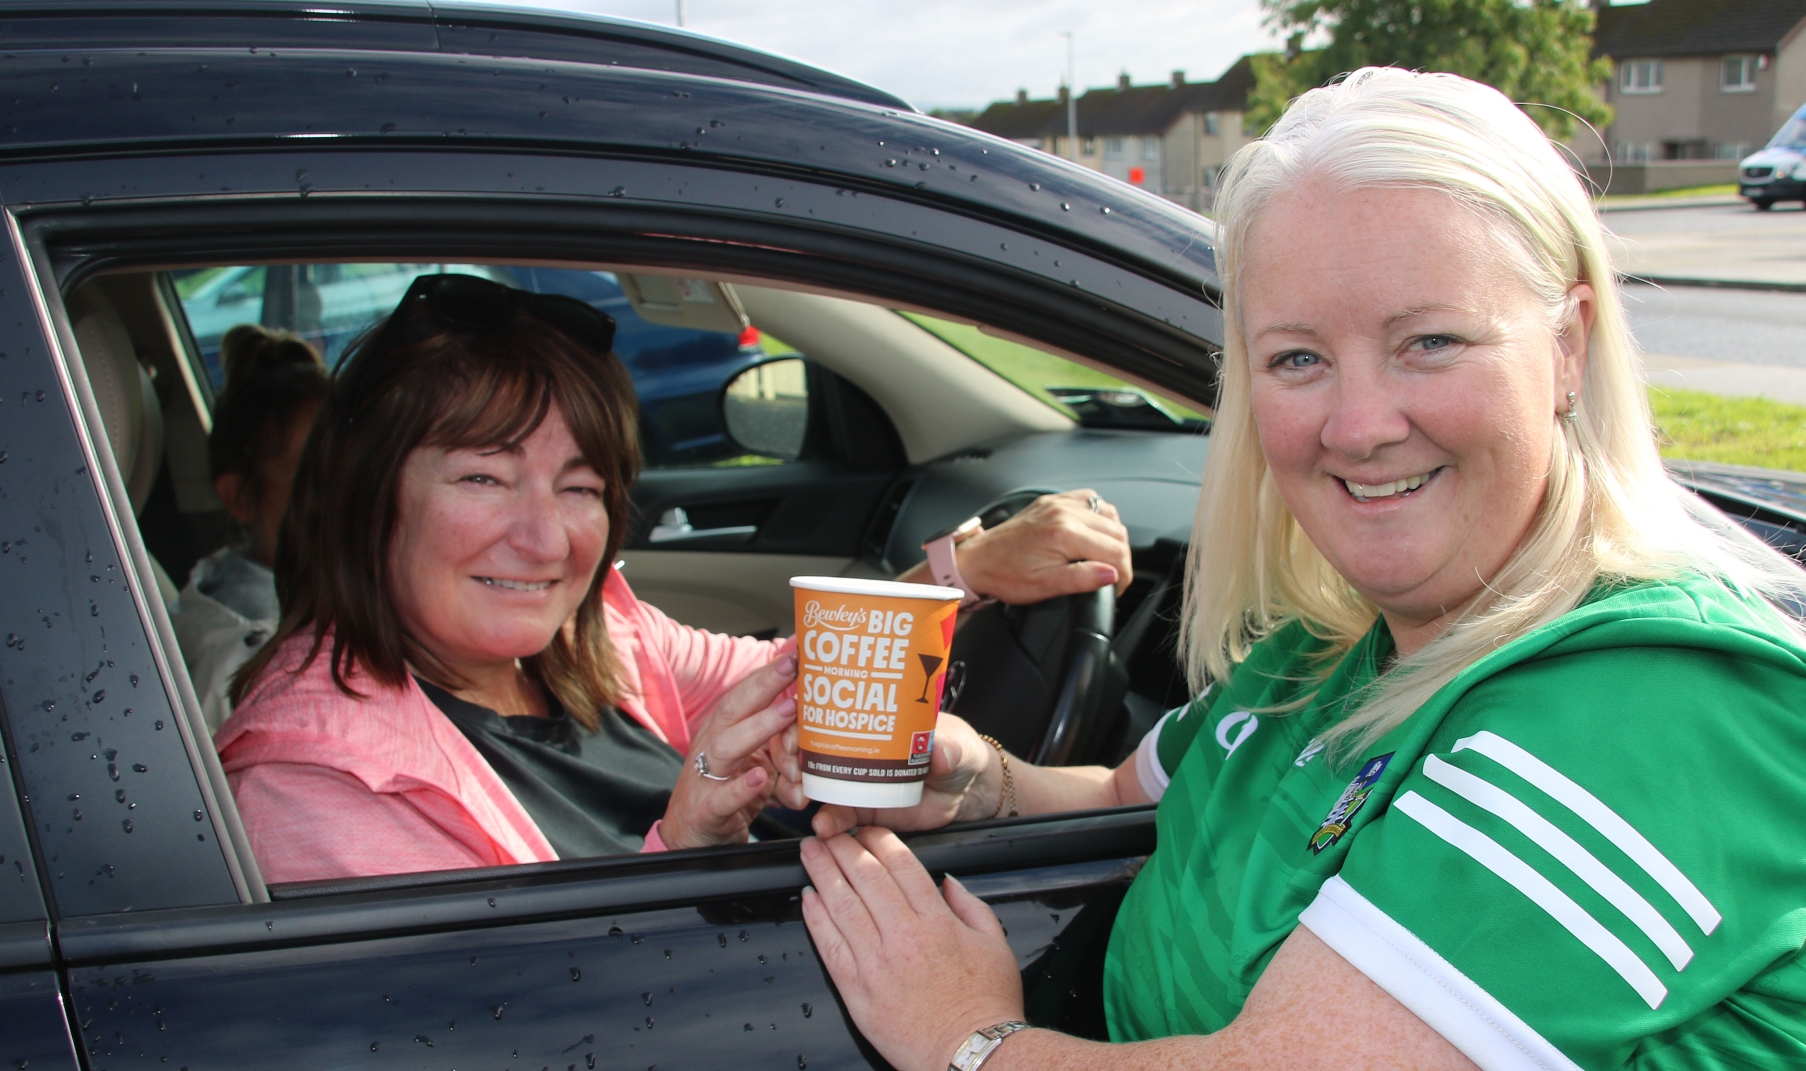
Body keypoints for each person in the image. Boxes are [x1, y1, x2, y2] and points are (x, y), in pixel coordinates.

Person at [793, 68, 1806, 1071]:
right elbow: (1125, 794)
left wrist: (966, 1045)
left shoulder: (1659, 699)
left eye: (1430, 341)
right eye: (1299, 359)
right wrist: (977, 784)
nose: (1358, 423)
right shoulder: (1320, 665)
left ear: (1566, 342)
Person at [216, 272, 1133, 884]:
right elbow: (496, 1057)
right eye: (482, 477)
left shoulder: (596, 640)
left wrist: (961, 568)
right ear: (369, 496)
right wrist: (684, 848)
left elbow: (796, 677)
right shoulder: (318, 781)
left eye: (580, 486)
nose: (545, 540)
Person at [170, 324, 327, 726]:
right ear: (239, 497)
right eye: (311, 479)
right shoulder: (237, 670)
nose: (347, 495)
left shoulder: (326, 597)